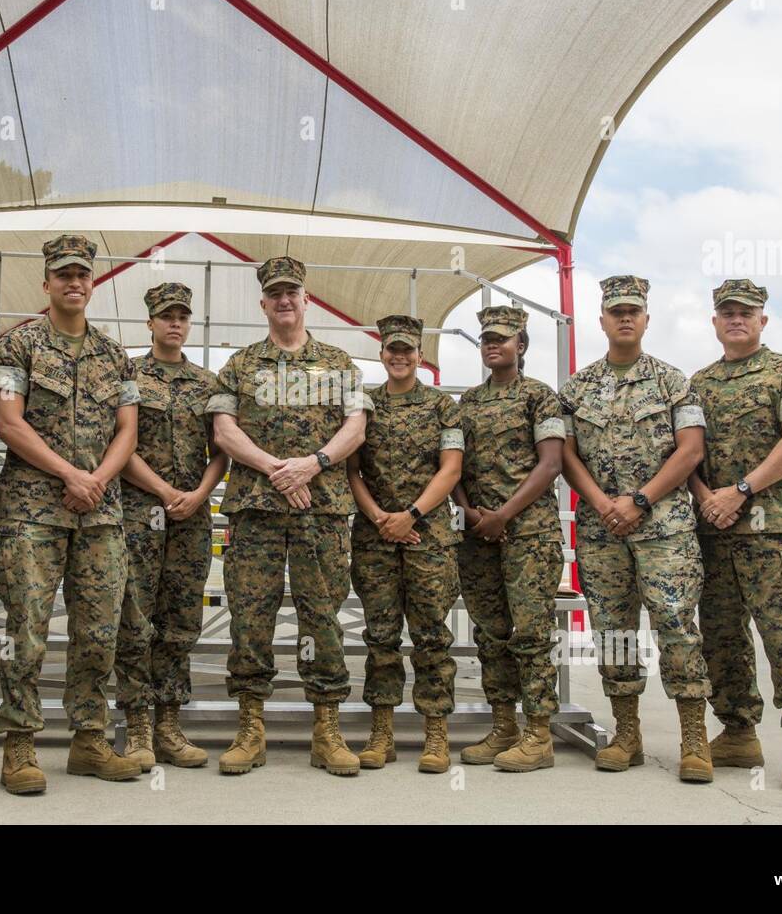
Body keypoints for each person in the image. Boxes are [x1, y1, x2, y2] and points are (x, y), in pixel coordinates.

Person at [205, 256, 372, 776]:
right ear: (263, 303)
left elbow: (356, 428)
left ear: (306, 300)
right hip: (256, 511)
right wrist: (279, 469)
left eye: (292, 292)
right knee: (250, 617)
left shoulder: (340, 363)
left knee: (321, 617)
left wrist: (313, 464)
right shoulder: (239, 364)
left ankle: (327, 730)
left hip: (319, 512)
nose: (284, 300)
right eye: (274, 293)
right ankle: (250, 727)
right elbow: (223, 430)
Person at [0, 234, 140, 793]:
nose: (75, 283)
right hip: (34, 510)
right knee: (26, 628)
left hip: (100, 512)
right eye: (64, 274)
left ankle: (89, 739)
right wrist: (70, 474)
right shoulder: (17, 346)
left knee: (99, 630)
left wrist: (96, 479)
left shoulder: (113, 354)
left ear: (92, 283)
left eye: (83, 275)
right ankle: (20, 743)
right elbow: (10, 423)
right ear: (46, 282)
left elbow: (128, 429)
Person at [559, 275, 714, 783]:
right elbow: (567, 455)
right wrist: (604, 503)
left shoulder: (674, 382)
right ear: (602, 320)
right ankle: (627, 734)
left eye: (634, 311)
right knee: (614, 630)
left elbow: (690, 449)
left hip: (665, 529)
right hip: (603, 530)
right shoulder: (578, 388)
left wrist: (641, 499)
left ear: (647, 319)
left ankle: (694, 738)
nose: (625, 318)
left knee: (675, 626)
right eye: (616, 311)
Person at [689, 278, 782, 791]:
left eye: (746, 311)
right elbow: (687, 451)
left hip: (770, 533)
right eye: (727, 311)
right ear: (715, 321)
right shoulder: (697, 383)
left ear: (763, 319)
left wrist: (739, 492)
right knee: (721, 639)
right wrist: (707, 497)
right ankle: (737, 731)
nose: (736, 319)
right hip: (714, 531)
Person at [114, 283, 228, 770]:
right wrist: (164, 491)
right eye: (166, 316)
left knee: (181, 621)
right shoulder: (128, 375)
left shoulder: (208, 383)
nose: (174, 323)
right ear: (151, 323)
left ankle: (168, 723)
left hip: (192, 518)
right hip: (140, 513)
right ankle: (137, 725)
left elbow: (221, 448)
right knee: (135, 619)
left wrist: (201, 494)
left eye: (182, 316)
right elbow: (118, 444)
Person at [451, 306, 567, 772]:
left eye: (502, 338)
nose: (493, 345)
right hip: (478, 535)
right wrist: (470, 510)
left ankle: (539, 733)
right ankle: (504, 726)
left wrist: (504, 514)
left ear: (521, 345)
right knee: (491, 634)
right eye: (486, 339)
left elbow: (551, 464)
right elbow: (453, 465)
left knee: (532, 634)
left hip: (529, 535)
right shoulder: (468, 403)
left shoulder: (540, 397)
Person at [347, 315, 464, 773]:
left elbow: (450, 470)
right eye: (391, 350)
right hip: (375, 536)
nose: (399, 357)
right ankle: (382, 733)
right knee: (380, 635)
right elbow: (352, 470)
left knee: (432, 634)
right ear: (381, 353)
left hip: (427, 536)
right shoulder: (365, 406)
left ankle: (436, 732)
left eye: (407, 350)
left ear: (420, 355)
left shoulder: (442, 406)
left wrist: (410, 515)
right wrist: (379, 517)